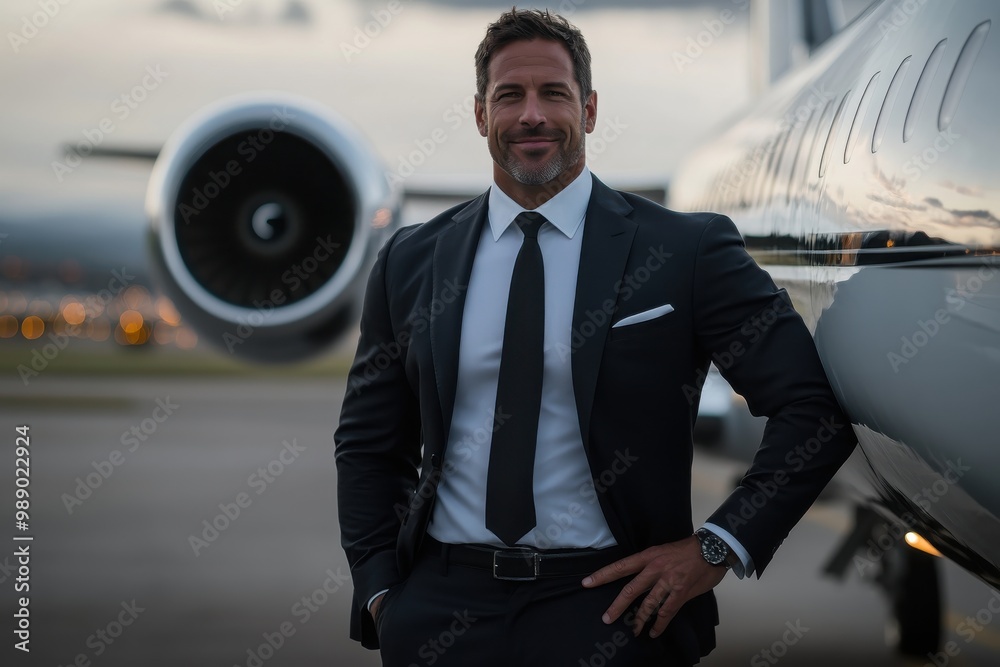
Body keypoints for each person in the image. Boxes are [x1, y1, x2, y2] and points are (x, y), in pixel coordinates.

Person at [335, 8, 857, 666]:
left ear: (589, 109)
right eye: (509, 96)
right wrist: (384, 590)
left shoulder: (685, 251)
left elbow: (811, 407)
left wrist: (717, 545)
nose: (532, 115)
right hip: (442, 611)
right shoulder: (409, 262)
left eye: (554, 93)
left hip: (612, 612)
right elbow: (367, 445)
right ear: (478, 114)